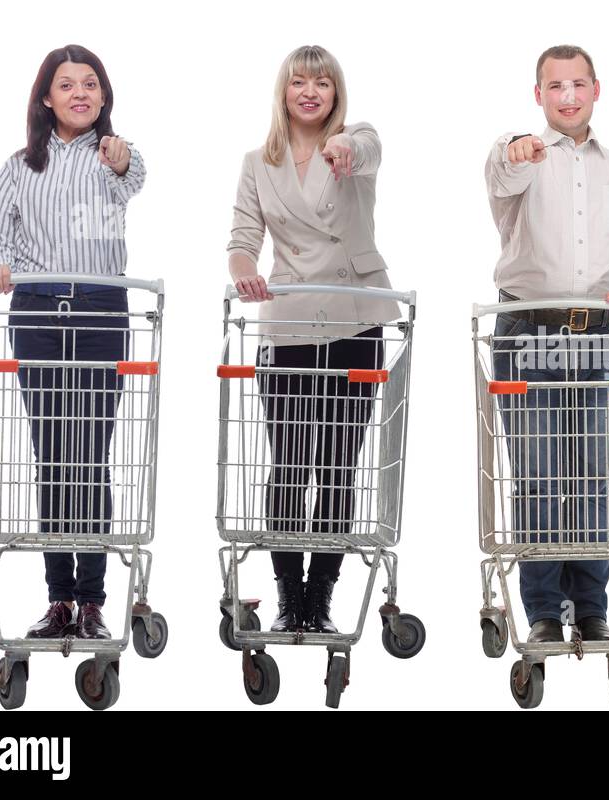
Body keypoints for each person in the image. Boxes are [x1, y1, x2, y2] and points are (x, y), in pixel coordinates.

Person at [484, 44, 609, 644]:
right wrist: (516, 147)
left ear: (596, 90)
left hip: (601, 333)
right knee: (537, 475)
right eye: (555, 86)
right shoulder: (520, 157)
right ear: (538, 95)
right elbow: (501, 170)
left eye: (578, 84)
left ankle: (590, 608)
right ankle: (542, 611)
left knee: (594, 475)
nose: (567, 95)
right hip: (527, 331)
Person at [0, 44, 147, 641]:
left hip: (101, 309)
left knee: (92, 453)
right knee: (53, 453)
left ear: (103, 96)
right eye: (66, 84)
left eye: (90, 84)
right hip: (39, 311)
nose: (80, 93)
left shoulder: (114, 158)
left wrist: (122, 159)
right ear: (46, 97)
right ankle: (58, 601)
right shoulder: (22, 164)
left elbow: (134, 176)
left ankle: (93, 600)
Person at [226, 45, 399, 634]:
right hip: (288, 322)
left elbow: (370, 147)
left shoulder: (356, 142)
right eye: (298, 81)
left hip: (356, 317)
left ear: (335, 93)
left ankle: (321, 594)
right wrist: (244, 268)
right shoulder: (258, 161)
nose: (309, 91)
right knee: (289, 464)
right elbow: (243, 235)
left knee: (337, 465)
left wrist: (346, 147)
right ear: (283, 91)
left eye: (321, 83)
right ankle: (287, 594)